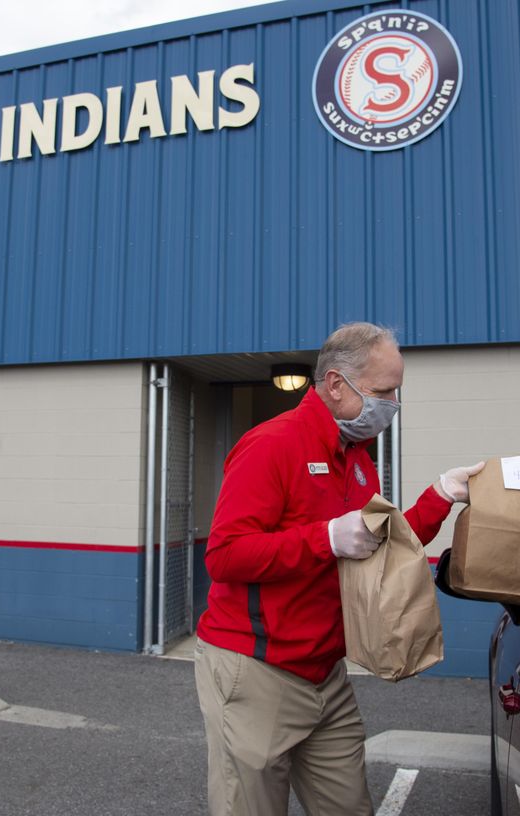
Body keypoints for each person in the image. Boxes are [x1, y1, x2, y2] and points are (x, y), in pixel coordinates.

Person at [194, 322, 483, 816]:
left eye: (397, 390)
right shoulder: (272, 444)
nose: (393, 404)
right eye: (384, 391)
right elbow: (224, 555)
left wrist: (440, 497)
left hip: (325, 675)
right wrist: (325, 538)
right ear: (334, 384)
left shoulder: (357, 460)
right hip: (257, 672)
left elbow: (378, 545)